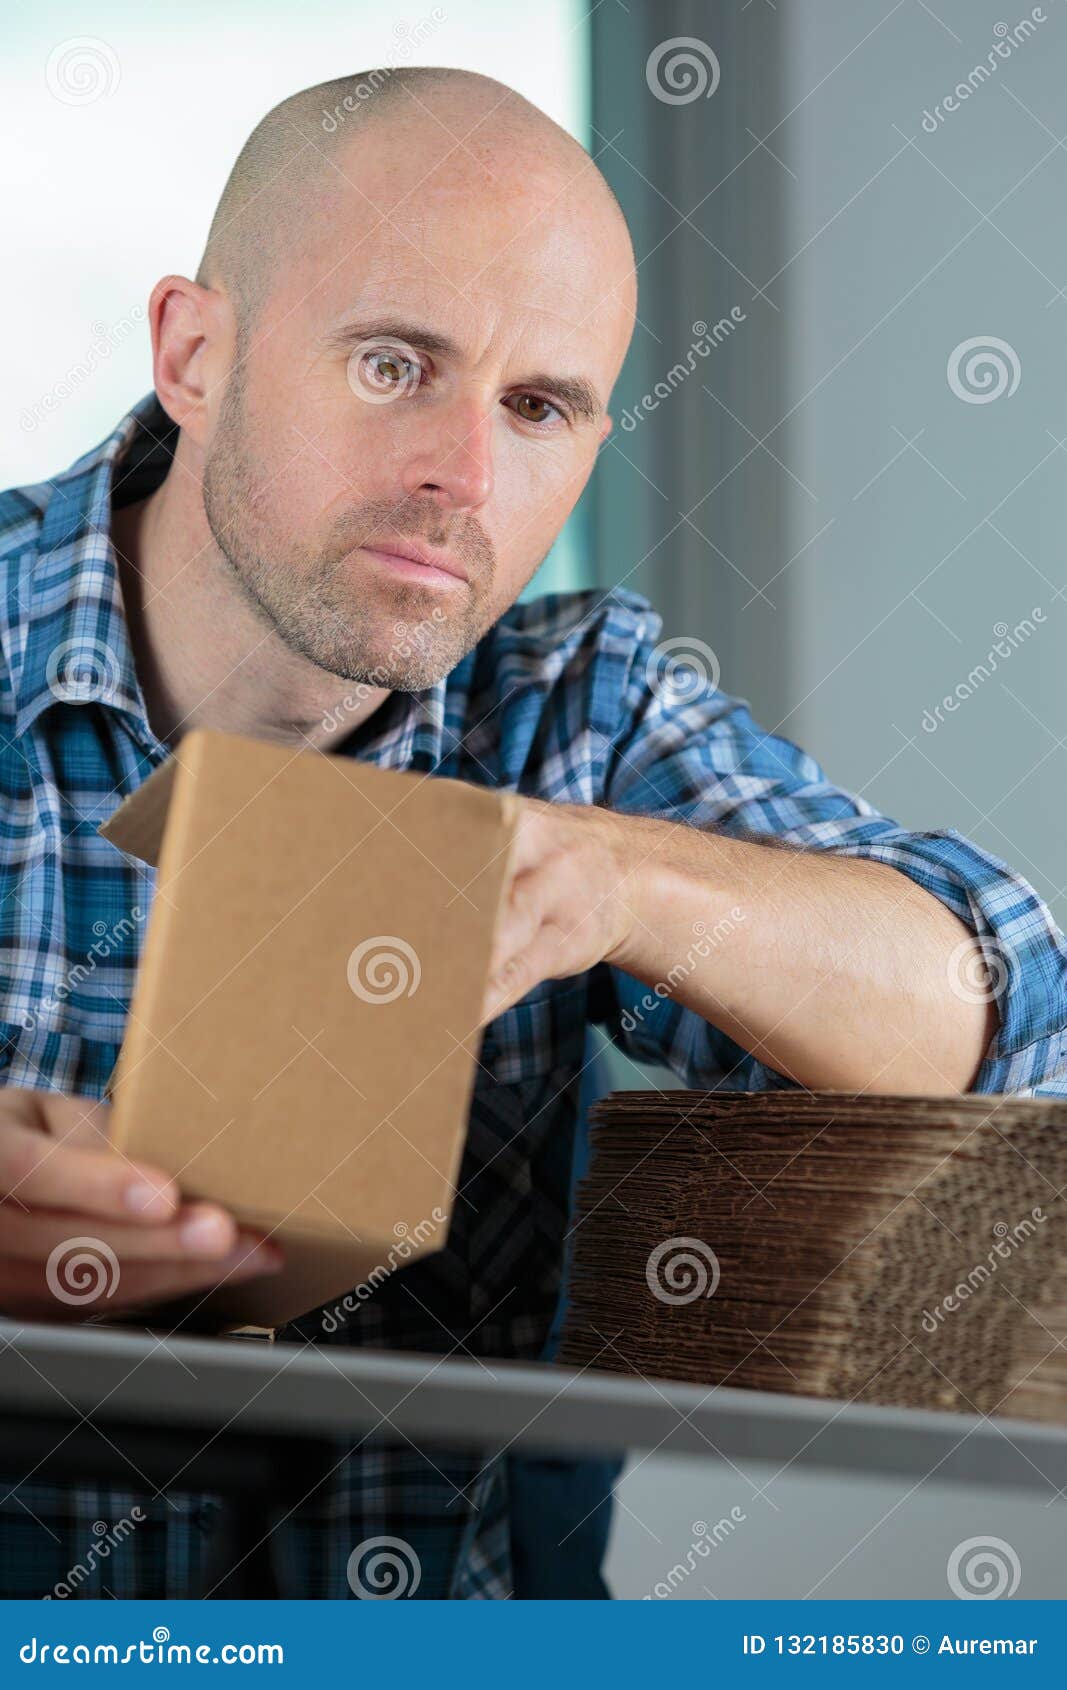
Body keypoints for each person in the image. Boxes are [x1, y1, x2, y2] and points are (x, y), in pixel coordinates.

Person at [1, 66, 1065, 1600]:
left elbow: (1010, 1013)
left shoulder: (572, 709)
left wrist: (615, 877)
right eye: (393, 365)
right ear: (195, 352)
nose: (465, 479)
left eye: (538, 405)